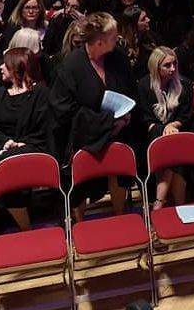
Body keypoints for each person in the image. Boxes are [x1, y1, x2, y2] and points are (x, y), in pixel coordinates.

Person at [50, 13, 136, 220]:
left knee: (120, 163)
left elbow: (130, 91)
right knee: (79, 176)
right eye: (114, 37)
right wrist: (106, 123)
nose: (119, 39)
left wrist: (124, 119)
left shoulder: (118, 58)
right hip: (81, 133)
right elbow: (64, 109)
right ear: (100, 41)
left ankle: (120, 215)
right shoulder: (72, 65)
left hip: (119, 128)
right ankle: (79, 224)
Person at [0, 47, 50, 238]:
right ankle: (26, 232)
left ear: (18, 67)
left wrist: (21, 144)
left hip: (33, 149)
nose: (1, 67)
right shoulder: (0, 95)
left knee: (5, 167)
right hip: (4, 151)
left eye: (6, 64)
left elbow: (44, 127)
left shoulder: (40, 93)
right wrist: (6, 142)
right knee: (8, 173)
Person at [136, 47, 193, 209]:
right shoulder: (144, 85)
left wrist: (173, 125)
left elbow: (186, 116)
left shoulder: (185, 85)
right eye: (167, 65)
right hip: (150, 138)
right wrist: (163, 130)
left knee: (174, 148)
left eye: (175, 63)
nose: (173, 69)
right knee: (170, 149)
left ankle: (159, 203)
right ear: (156, 67)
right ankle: (179, 207)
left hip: (178, 136)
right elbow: (144, 118)